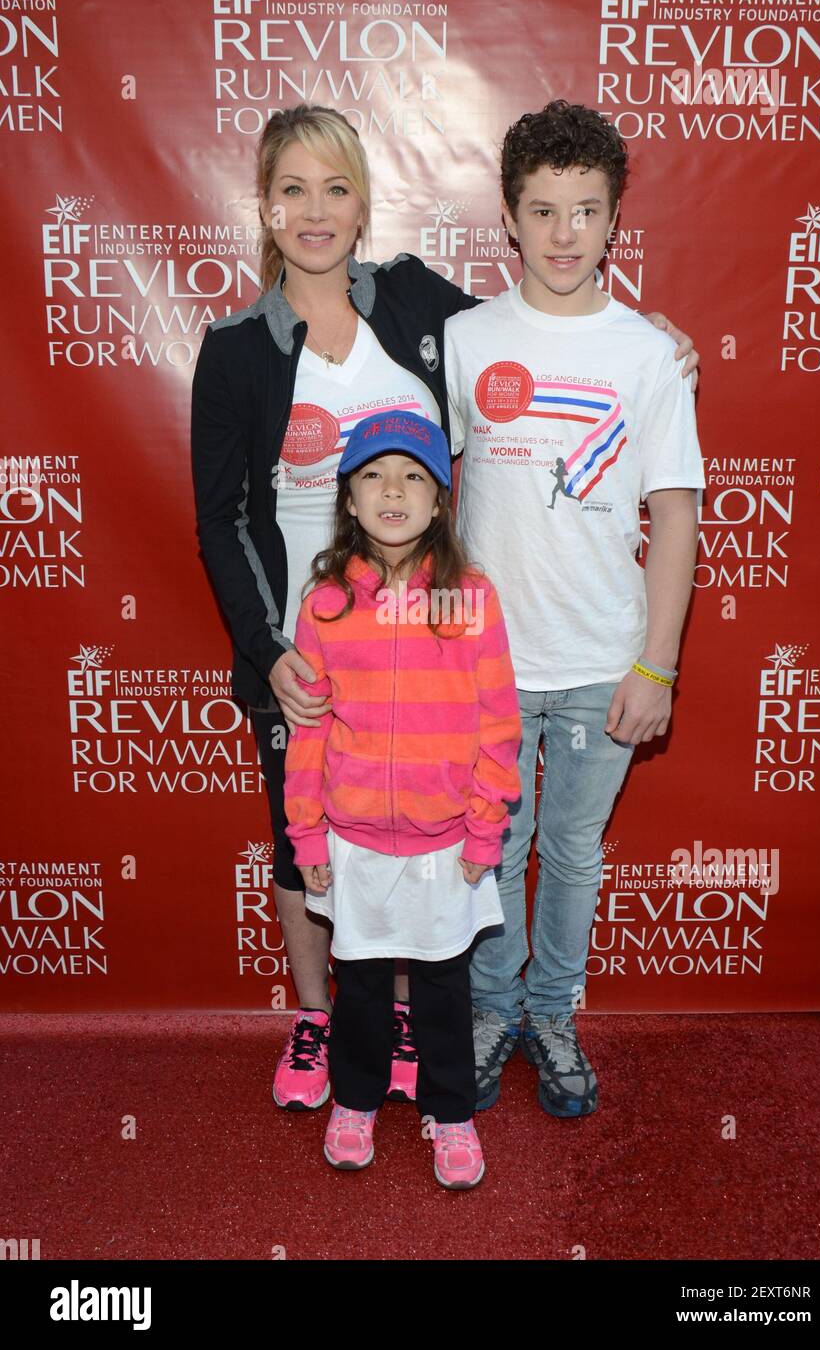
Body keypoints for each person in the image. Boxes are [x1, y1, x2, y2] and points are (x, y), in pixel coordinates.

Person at [190, 102, 699, 1116]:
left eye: (337, 186)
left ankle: (515, 1013)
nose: (316, 208)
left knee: (517, 844)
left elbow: (562, 331)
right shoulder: (261, 346)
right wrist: (270, 643)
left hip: (507, 646)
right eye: (293, 187)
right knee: (350, 842)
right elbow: (219, 517)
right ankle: (373, 1014)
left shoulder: (422, 308)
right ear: (265, 206)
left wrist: (659, 335)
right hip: (348, 646)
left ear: (365, 201)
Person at [443, 100, 707, 1118]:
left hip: (606, 660)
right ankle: (491, 1010)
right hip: (486, 662)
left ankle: (553, 1012)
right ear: (508, 217)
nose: (563, 234)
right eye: (543, 210)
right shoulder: (463, 340)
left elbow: (676, 518)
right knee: (494, 852)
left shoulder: (648, 356)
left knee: (576, 853)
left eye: (585, 210)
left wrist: (658, 664)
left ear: (613, 221)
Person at [282, 413, 521, 1187]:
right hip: (351, 841)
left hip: (445, 842)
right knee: (359, 987)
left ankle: (450, 1117)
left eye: (413, 475)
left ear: (439, 501)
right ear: (348, 499)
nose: (393, 491)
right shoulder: (323, 606)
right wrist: (307, 836)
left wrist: (484, 829)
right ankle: (353, 1101)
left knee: (443, 991)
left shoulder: (472, 599)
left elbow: (497, 724)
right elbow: (309, 735)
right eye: (374, 476)